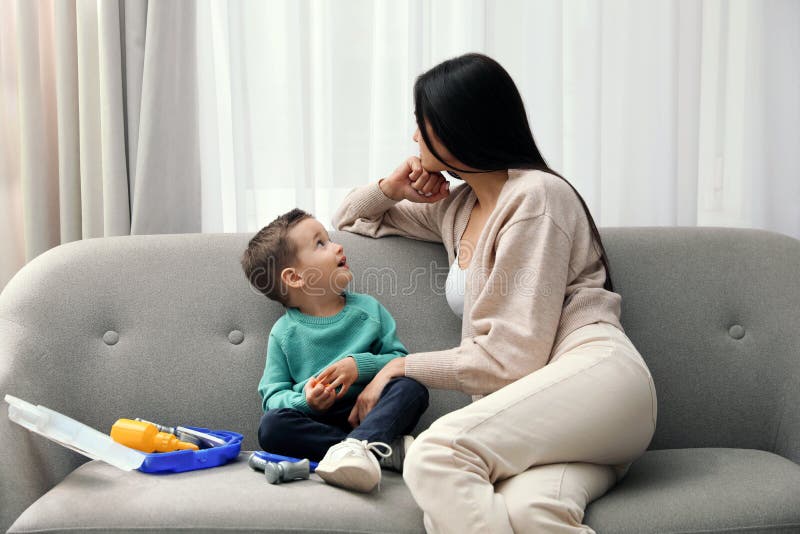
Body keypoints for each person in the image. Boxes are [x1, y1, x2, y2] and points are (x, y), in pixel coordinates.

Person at [331, 52, 657, 532]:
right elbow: (352, 219)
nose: (415, 135)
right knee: (531, 514)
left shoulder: (536, 198)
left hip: (599, 381)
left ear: (459, 127)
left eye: (423, 122)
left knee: (437, 455)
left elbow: (512, 358)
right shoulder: (457, 208)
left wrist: (398, 366)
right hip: (556, 417)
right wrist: (392, 186)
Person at [240, 208, 430, 493]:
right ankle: (376, 452)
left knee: (412, 387)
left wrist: (359, 366)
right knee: (272, 427)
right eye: (321, 244)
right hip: (318, 421)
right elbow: (272, 398)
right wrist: (307, 401)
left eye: (328, 239)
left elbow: (400, 361)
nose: (337, 246)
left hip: (370, 411)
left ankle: (358, 448)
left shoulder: (368, 310)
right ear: (294, 278)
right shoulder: (283, 333)